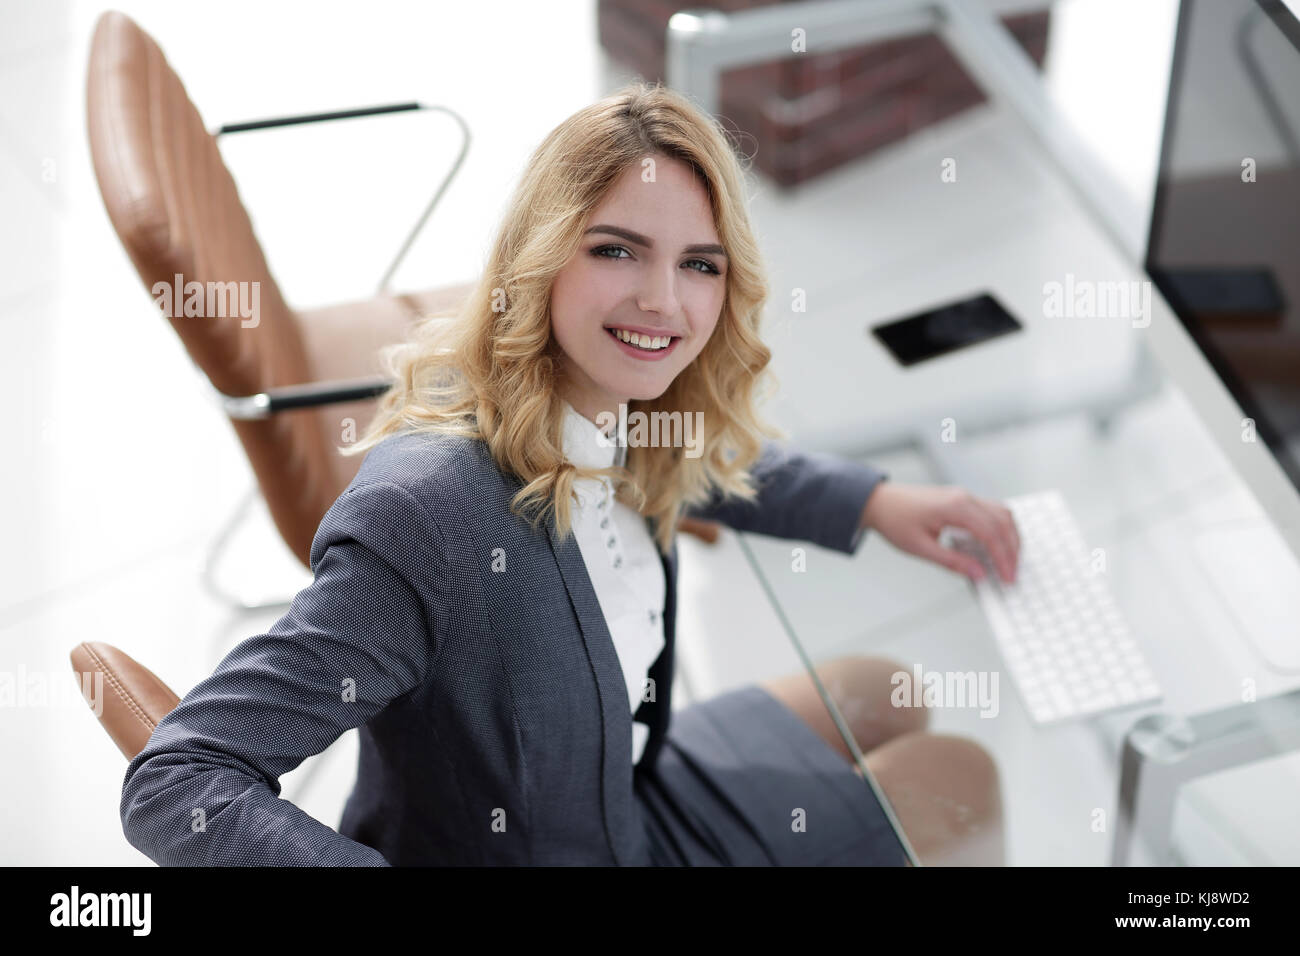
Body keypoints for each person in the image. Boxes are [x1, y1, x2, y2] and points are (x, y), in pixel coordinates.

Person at [120, 81, 1017, 867]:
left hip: (623, 787)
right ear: (538, 256)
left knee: (882, 689)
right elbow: (178, 781)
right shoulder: (426, 517)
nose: (662, 300)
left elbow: (693, 451)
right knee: (960, 779)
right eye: (615, 250)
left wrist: (876, 500)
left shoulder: (608, 401)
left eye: (698, 264)